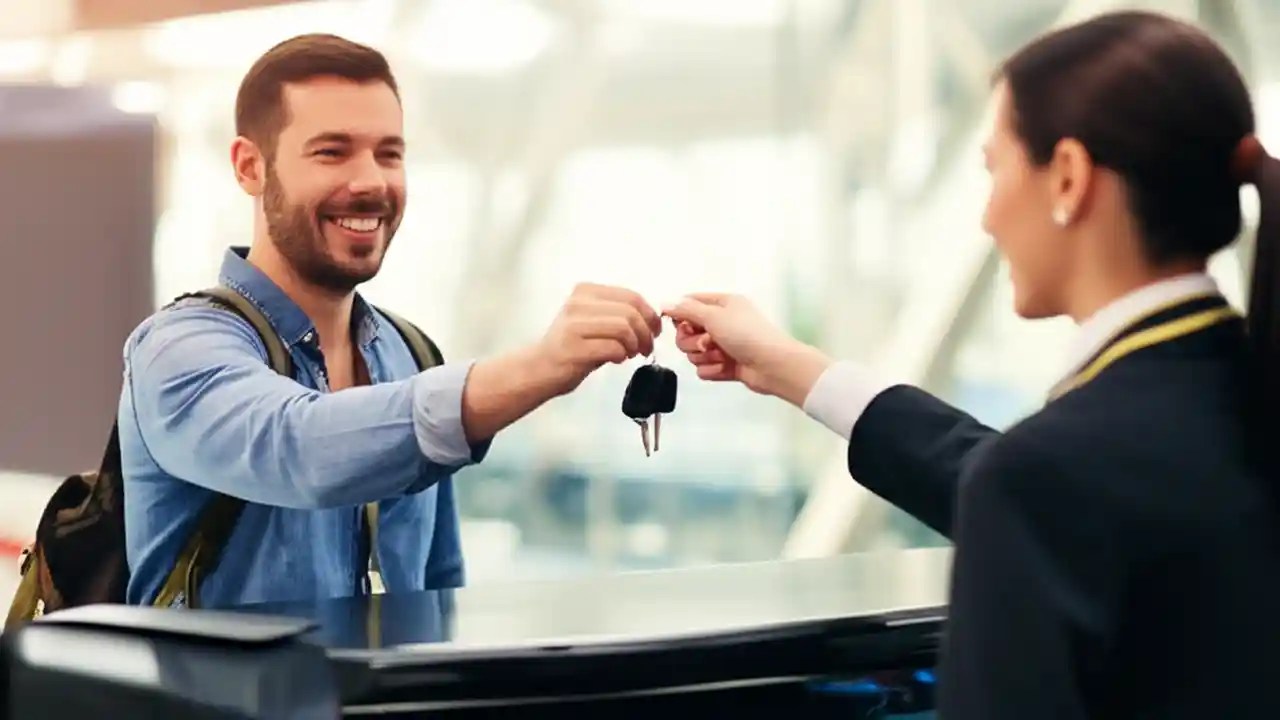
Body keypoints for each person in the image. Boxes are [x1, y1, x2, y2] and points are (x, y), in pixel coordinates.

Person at [666, 11, 1280, 720]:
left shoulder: (1052, 479)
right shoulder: (1234, 407)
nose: (987, 217)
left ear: (1070, 179)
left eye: (994, 169)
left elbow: (1048, 496)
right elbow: (1067, 497)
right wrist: (797, 371)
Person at [118, 34, 660, 609]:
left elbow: (437, 587)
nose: (371, 181)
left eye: (389, 153)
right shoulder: (178, 350)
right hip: (218, 701)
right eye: (332, 152)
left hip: (382, 699)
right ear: (250, 166)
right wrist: (540, 366)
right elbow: (302, 450)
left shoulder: (410, 354)